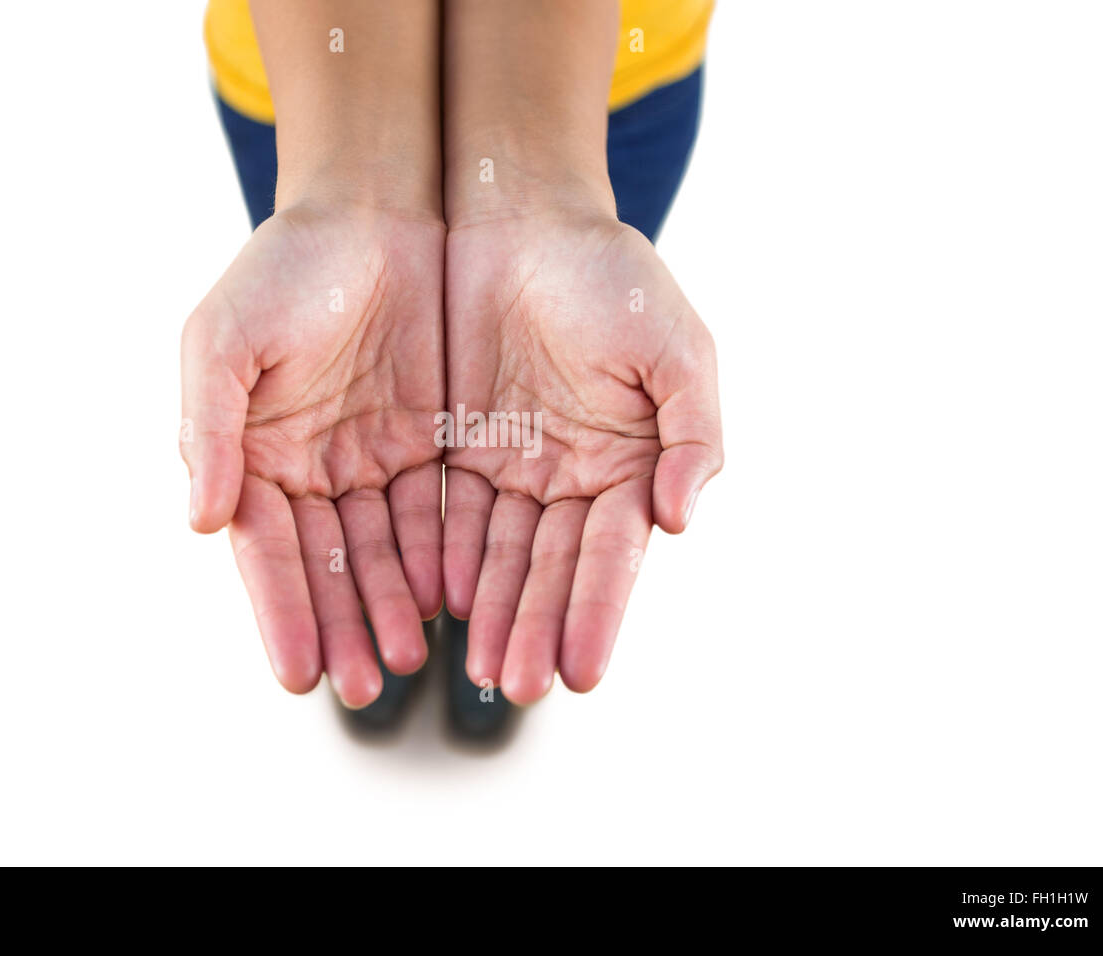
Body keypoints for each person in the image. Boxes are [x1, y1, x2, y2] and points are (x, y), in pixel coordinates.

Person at [181, 0, 724, 732]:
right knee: (331, 365)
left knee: (521, 473)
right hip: (306, 73)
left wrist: (539, 190)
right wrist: (350, 194)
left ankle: (477, 592)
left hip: (616, 86)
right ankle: (391, 581)